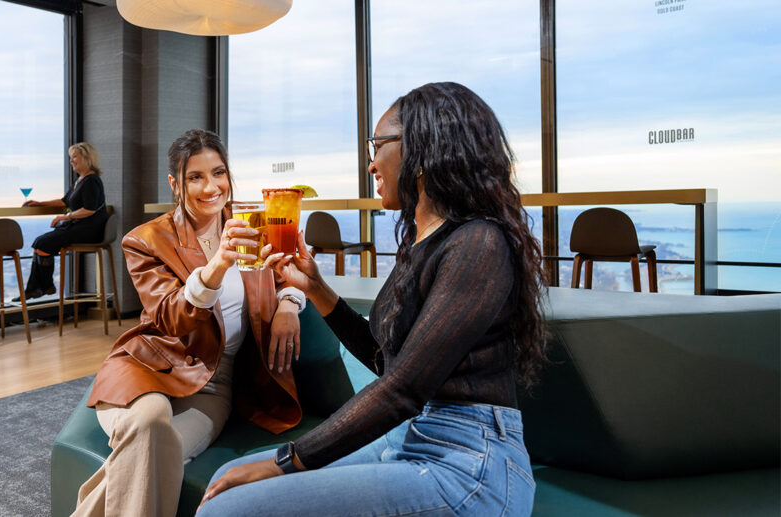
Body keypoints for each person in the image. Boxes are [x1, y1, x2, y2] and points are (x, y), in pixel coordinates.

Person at [196, 82, 549, 516]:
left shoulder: (479, 243)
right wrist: (317, 290)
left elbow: (404, 388)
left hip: (468, 461)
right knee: (222, 485)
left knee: (225, 509)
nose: (370, 163)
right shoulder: (424, 240)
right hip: (412, 434)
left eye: (377, 145)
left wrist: (285, 460)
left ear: (422, 146)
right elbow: (391, 364)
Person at [71, 129, 306, 517]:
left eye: (218, 173)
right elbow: (169, 317)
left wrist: (289, 305)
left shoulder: (252, 224)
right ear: (175, 184)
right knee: (148, 423)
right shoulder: (145, 240)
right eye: (194, 177)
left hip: (215, 386)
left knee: (153, 455)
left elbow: (287, 273)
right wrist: (217, 265)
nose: (210, 186)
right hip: (150, 365)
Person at [17, 142, 108, 300]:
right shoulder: (80, 180)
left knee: (42, 242)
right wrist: (39, 203)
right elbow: (64, 201)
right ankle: (40, 287)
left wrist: (65, 217)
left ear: (87, 158)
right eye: (70, 157)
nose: (71, 160)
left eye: (74, 157)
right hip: (80, 228)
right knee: (40, 243)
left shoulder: (91, 180)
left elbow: (89, 209)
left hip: (89, 230)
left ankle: (42, 287)